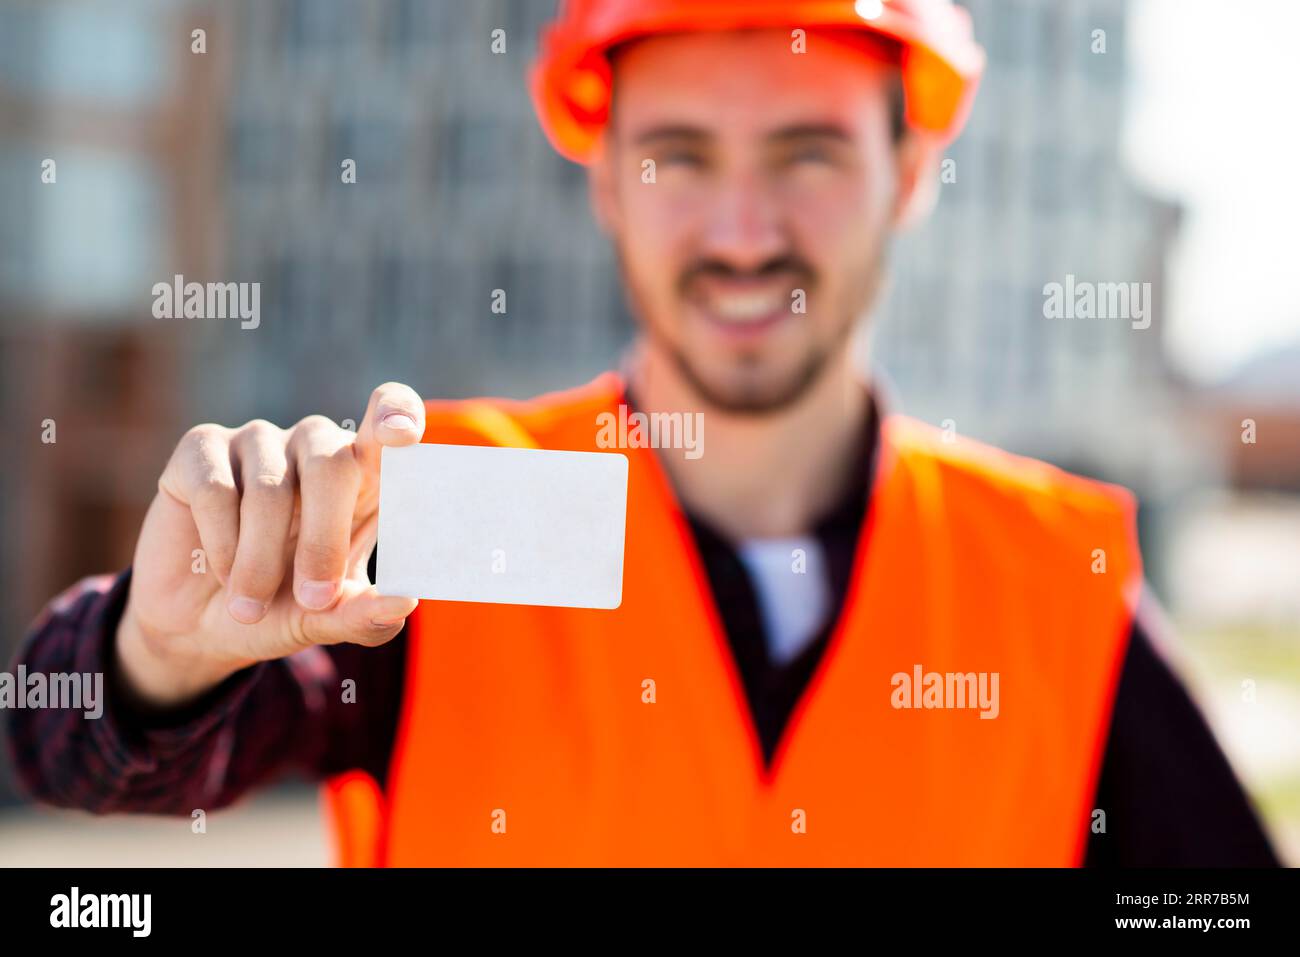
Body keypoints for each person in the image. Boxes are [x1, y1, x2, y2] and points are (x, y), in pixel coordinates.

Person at [5, 0, 1279, 866]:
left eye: (807, 153)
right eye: (680, 155)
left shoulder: (1042, 572)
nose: (741, 230)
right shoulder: (470, 512)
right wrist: (153, 661)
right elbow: (75, 750)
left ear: (908, 172)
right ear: (605, 178)